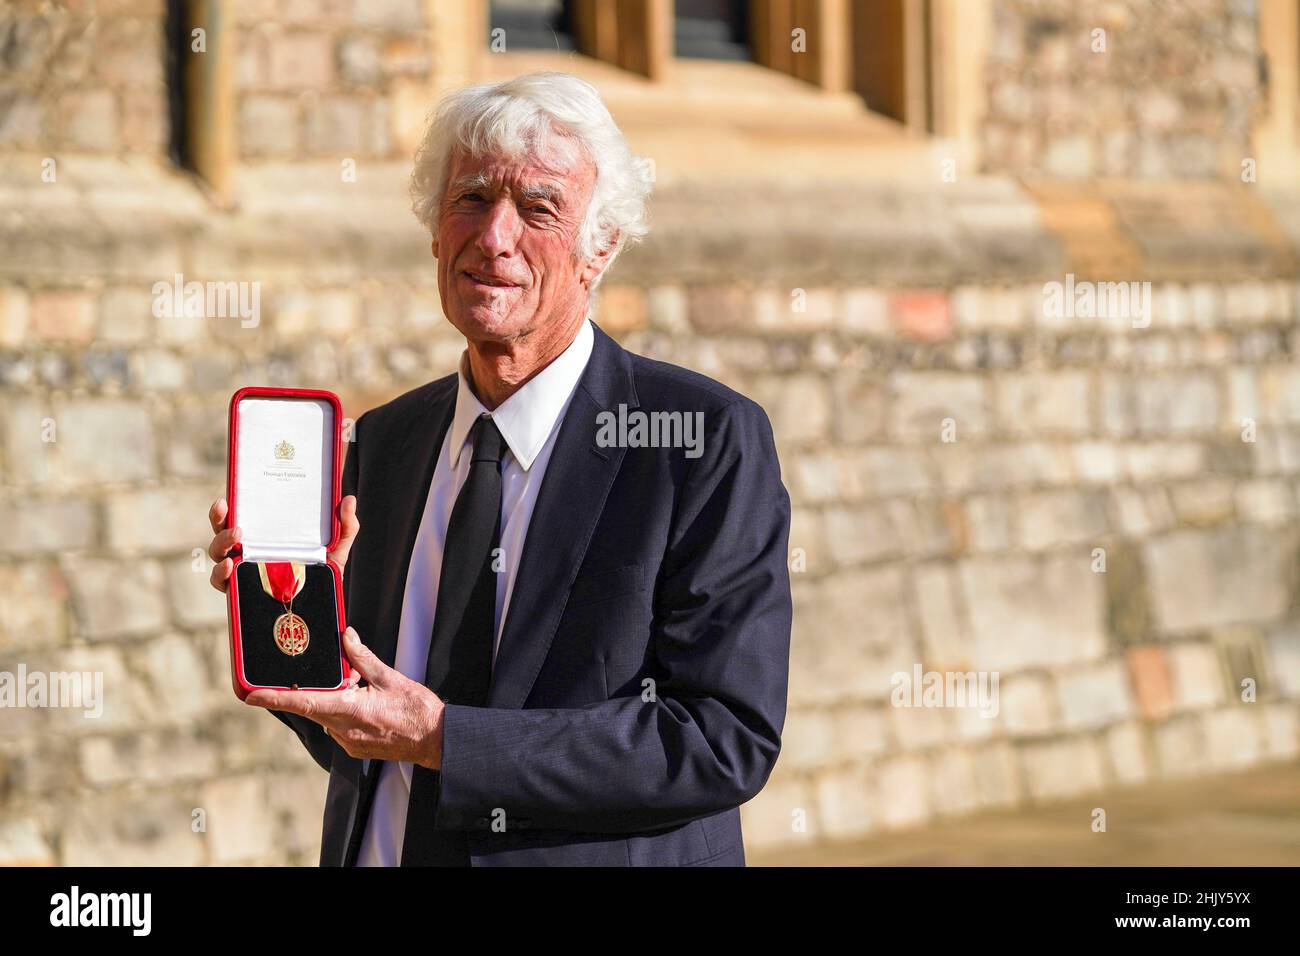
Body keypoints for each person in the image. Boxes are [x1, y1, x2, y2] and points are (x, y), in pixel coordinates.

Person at [207, 71, 792, 866]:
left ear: (602, 247)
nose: (495, 238)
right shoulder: (385, 442)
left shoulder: (698, 441)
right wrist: (293, 626)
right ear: (436, 230)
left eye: (539, 208)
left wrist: (447, 740)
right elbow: (363, 732)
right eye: (472, 200)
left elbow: (721, 738)